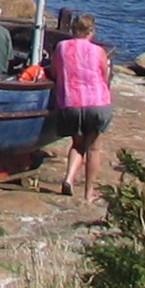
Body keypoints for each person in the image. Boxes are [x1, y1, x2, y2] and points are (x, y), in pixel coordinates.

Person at [49, 12, 115, 203]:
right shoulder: (99, 51)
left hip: (71, 102)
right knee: (93, 148)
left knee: (77, 144)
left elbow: (54, 71)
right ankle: (88, 192)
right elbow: (104, 76)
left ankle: (69, 178)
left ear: (72, 30)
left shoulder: (61, 47)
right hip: (97, 102)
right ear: (91, 31)